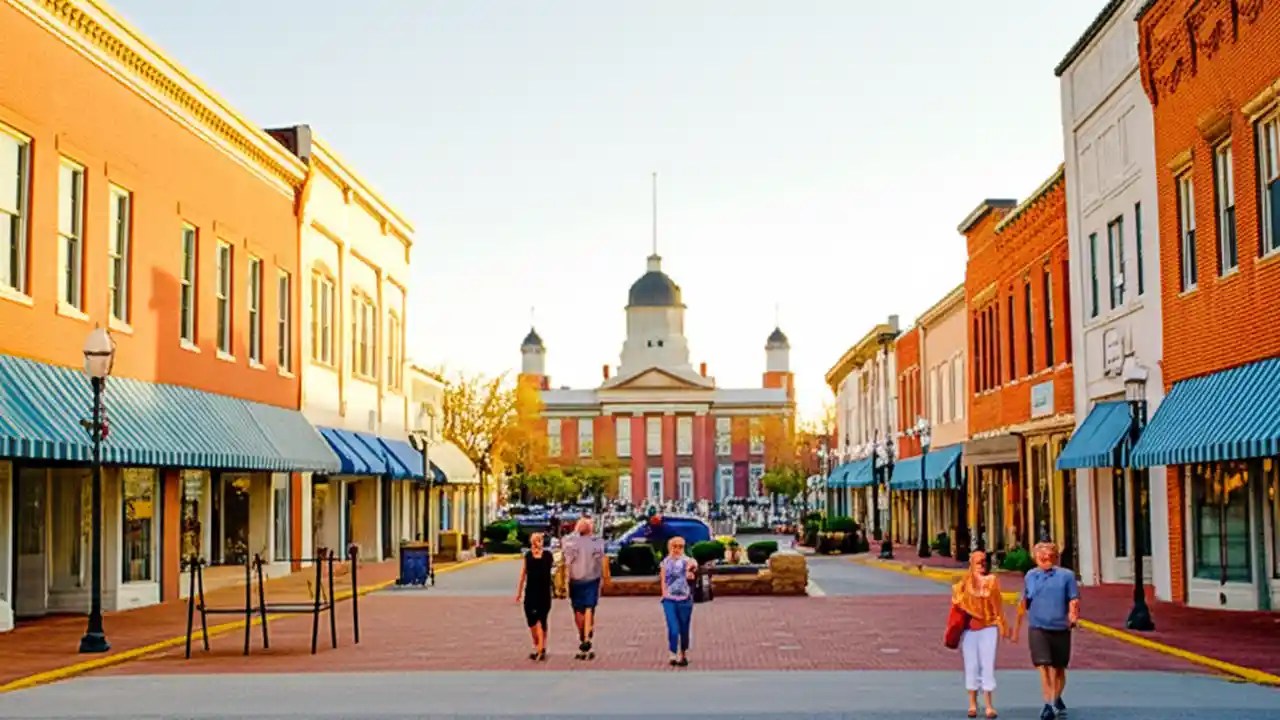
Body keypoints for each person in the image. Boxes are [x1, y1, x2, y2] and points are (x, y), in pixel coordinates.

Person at [1012, 542, 1080, 720]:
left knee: (1058, 669)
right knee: (1044, 666)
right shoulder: (1031, 576)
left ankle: (1056, 697)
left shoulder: (1067, 576)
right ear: (1035, 558)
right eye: (1042, 556)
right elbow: (1024, 602)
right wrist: (1015, 629)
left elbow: (1073, 599)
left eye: (1050, 556)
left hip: (1060, 627)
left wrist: (1073, 615)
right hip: (1038, 627)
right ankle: (1048, 704)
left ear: (1056, 557)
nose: (1046, 559)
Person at [951, 550, 1010, 719]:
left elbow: (997, 605)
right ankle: (972, 703)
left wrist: (1003, 624)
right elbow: (956, 601)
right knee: (971, 665)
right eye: (978, 561)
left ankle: (989, 705)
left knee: (987, 665)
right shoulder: (964, 582)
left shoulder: (992, 581)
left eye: (984, 561)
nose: (981, 564)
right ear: (971, 563)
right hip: (969, 629)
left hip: (988, 627)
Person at [561, 516, 608, 660]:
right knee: (589, 608)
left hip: (576, 579)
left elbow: (566, 562)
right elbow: (602, 560)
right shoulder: (597, 543)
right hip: (592, 578)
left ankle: (584, 636)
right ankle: (586, 636)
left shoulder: (570, 543)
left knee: (578, 609)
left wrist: (564, 580)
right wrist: (605, 577)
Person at [514, 532, 554, 661]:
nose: (539, 542)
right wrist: (519, 592)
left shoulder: (548, 556)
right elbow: (523, 574)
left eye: (540, 540)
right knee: (531, 620)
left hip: (544, 592)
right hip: (531, 591)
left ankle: (541, 648)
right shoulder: (528, 556)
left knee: (541, 620)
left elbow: (554, 571)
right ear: (531, 542)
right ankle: (538, 644)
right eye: (536, 540)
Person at [659, 535, 697, 666]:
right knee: (673, 628)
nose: (677, 549)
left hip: (684, 599)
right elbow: (663, 579)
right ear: (669, 547)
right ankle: (672, 653)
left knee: (684, 628)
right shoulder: (666, 562)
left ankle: (683, 653)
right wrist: (664, 594)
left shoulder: (687, 561)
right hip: (670, 599)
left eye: (680, 547)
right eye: (674, 546)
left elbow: (693, 566)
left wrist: (690, 571)